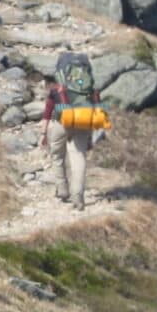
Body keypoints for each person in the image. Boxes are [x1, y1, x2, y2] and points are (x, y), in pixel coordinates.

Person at [38, 52, 102, 210]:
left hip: (61, 124)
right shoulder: (90, 89)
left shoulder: (57, 88)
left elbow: (47, 113)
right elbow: (97, 111)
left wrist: (43, 134)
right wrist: (91, 136)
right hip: (83, 124)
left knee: (57, 155)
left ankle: (62, 190)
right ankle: (78, 197)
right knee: (79, 158)